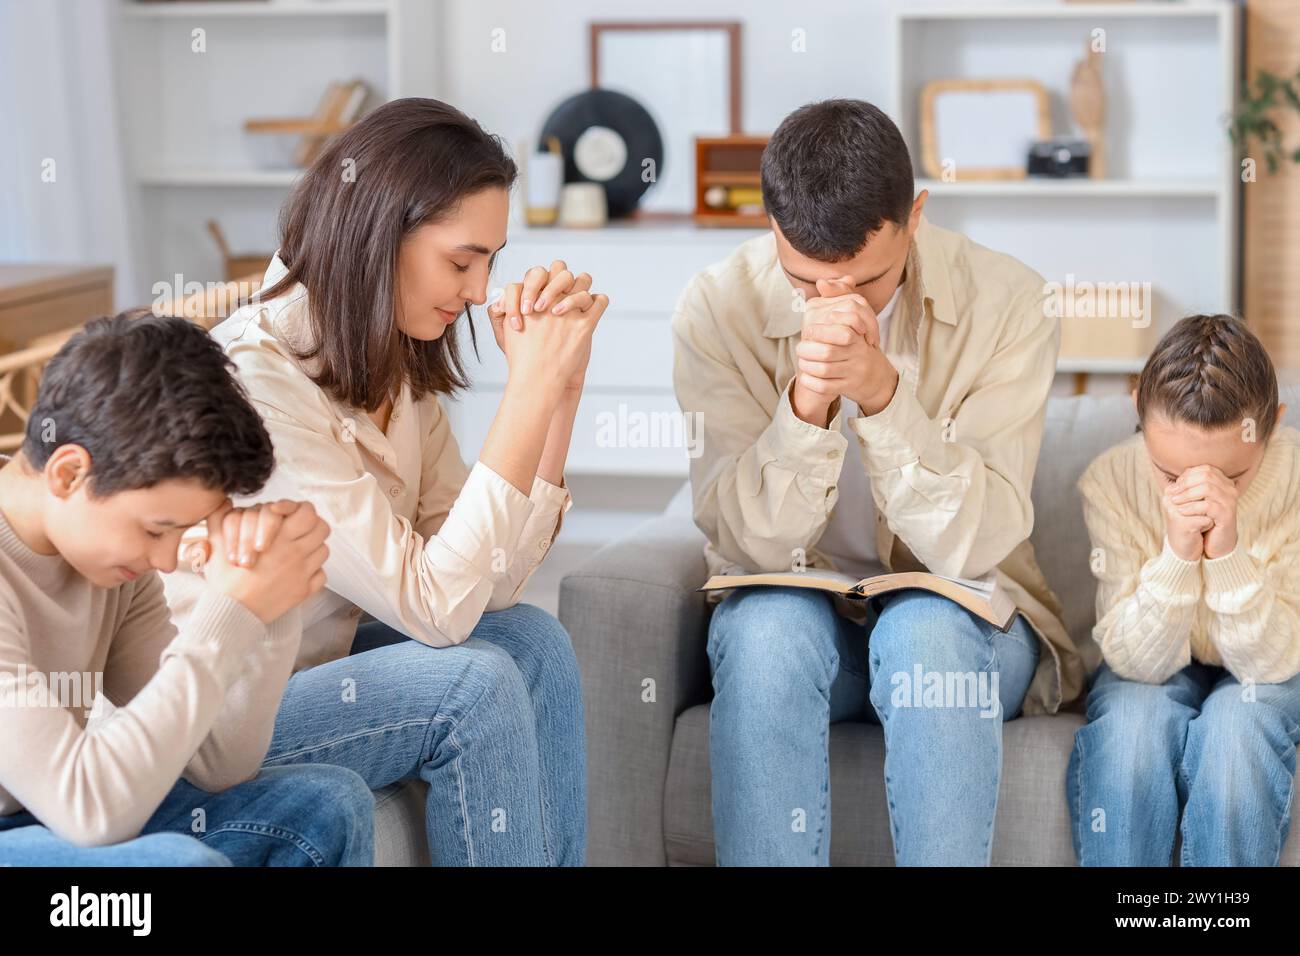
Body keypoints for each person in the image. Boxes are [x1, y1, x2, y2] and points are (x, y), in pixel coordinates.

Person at [164, 98, 606, 866]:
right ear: (379, 234)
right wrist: (526, 391)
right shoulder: (258, 384)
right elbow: (435, 611)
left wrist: (557, 393)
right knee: (473, 683)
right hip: (220, 712)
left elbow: (486, 585)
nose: (478, 291)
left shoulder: (390, 357)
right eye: (462, 260)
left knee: (533, 637)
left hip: (316, 665)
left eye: (491, 264)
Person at [672, 98, 1081, 866]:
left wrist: (886, 398)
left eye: (864, 282)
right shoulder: (715, 307)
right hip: (806, 623)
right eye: (805, 282)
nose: (835, 309)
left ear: (916, 215)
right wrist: (806, 405)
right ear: (772, 230)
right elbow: (746, 540)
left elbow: (980, 540)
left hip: (966, 621)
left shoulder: (1011, 303)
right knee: (764, 634)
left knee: (923, 631)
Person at [0, 313, 373, 866]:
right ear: (68, 473)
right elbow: (89, 810)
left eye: (182, 530)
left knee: (328, 804)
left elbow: (216, 763)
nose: (169, 558)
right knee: (180, 864)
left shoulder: (113, 570)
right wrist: (232, 609)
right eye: (156, 528)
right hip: (49, 814)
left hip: (45, 813)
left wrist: (264, 607)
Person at [1069, 313, 1300, 866]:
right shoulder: (1111, 480)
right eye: (1171, 476)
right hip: (1151, 661)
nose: (1196, 497)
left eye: (1230, 479)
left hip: (1264, 662)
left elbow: (1272, 662)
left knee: (1236, 738)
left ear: (1273, 427)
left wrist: (1227, 555)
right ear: (1138, 415)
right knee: (1130, 734)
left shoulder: (1293, 481)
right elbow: (1132, 661)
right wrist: (1176, 557)